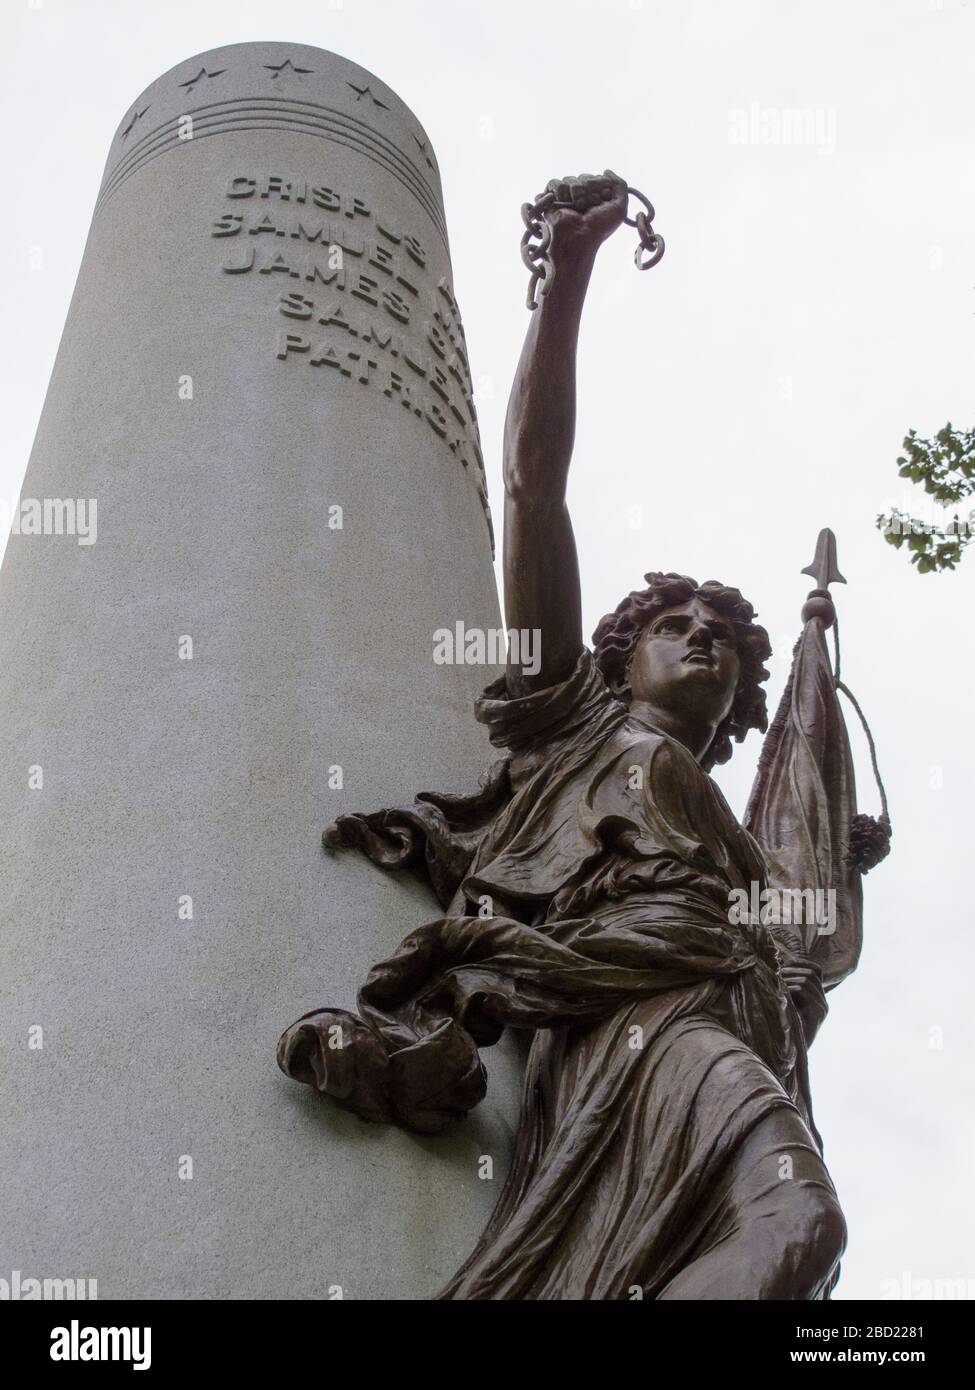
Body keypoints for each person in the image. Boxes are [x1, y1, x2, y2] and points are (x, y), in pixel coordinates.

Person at [278, 173, 847, 1300]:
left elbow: (800, 941)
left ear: (739, 702)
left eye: (724, 642)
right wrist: (568, 282)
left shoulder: (729, 831)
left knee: (786, 1247)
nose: (703, 642)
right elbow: (535, 487)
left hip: (728, 1016)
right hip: (634, 1020)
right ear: (617, 651)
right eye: (674, 625)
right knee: (802, 1222)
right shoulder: (576, 722)